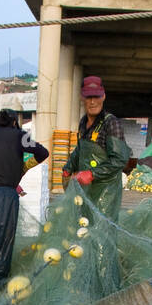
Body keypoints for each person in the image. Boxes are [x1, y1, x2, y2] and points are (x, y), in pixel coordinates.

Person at [0, 109, 49, 293]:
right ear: (14, 122)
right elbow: (43, 152)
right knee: (1, 247)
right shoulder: (19, 136)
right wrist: (23, 166)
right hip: (3, 196)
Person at [63, 76, 130, 226]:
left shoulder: (111, 123)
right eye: (88, 97)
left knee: (102, 232)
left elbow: (119, 159)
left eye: (96, 96)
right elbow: (80, 149)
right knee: (84, 229)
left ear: (103, 96)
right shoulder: (83, 123)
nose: (93, 101)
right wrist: (68, 168)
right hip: (86, 191)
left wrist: (92, 173)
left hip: (106, 193)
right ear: (82, 97)